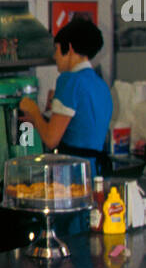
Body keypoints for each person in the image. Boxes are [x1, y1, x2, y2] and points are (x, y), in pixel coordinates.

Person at [19, 15, 112, 167]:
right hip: (96, 168)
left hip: (73, 172)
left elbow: (51, 140)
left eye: (56, 49)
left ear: (68, 48)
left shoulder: (70, 80)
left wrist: (33, 110)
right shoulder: (100, 84)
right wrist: (43, 118)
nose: (54, 56)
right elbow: (81, 127)